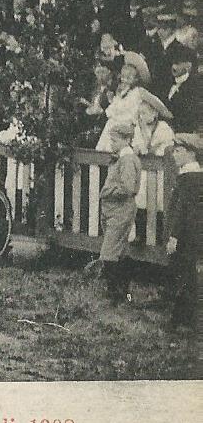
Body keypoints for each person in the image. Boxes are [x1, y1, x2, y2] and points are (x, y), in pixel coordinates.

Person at [98, 120, 142, 305]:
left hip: (120, 211)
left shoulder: (128, 159)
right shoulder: (121, 158)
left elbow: (129, 187)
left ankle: (115, 294)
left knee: (108, 253)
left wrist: (107, 191)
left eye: (115, 140)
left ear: (126, 140)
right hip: (113, 210)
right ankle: (124, 293)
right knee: (120, 252)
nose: (112, 144)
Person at [165, 133, 201, 334]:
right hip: (189, 233)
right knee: (186, 273)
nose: (174, 156)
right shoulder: (189, 175)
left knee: (184, 273)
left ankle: (180, 319)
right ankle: (183, 317)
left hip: (185, 235)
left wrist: (174, 236)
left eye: (178, 152)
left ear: (191, 153)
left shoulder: (190, 178)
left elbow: (182, 210)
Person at [166, 44, 200, 131]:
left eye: (177, 63)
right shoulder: (167, 81)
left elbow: (190, 119)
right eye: (172, 63)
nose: (173, 67)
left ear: (188, 66)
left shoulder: (194, 87)